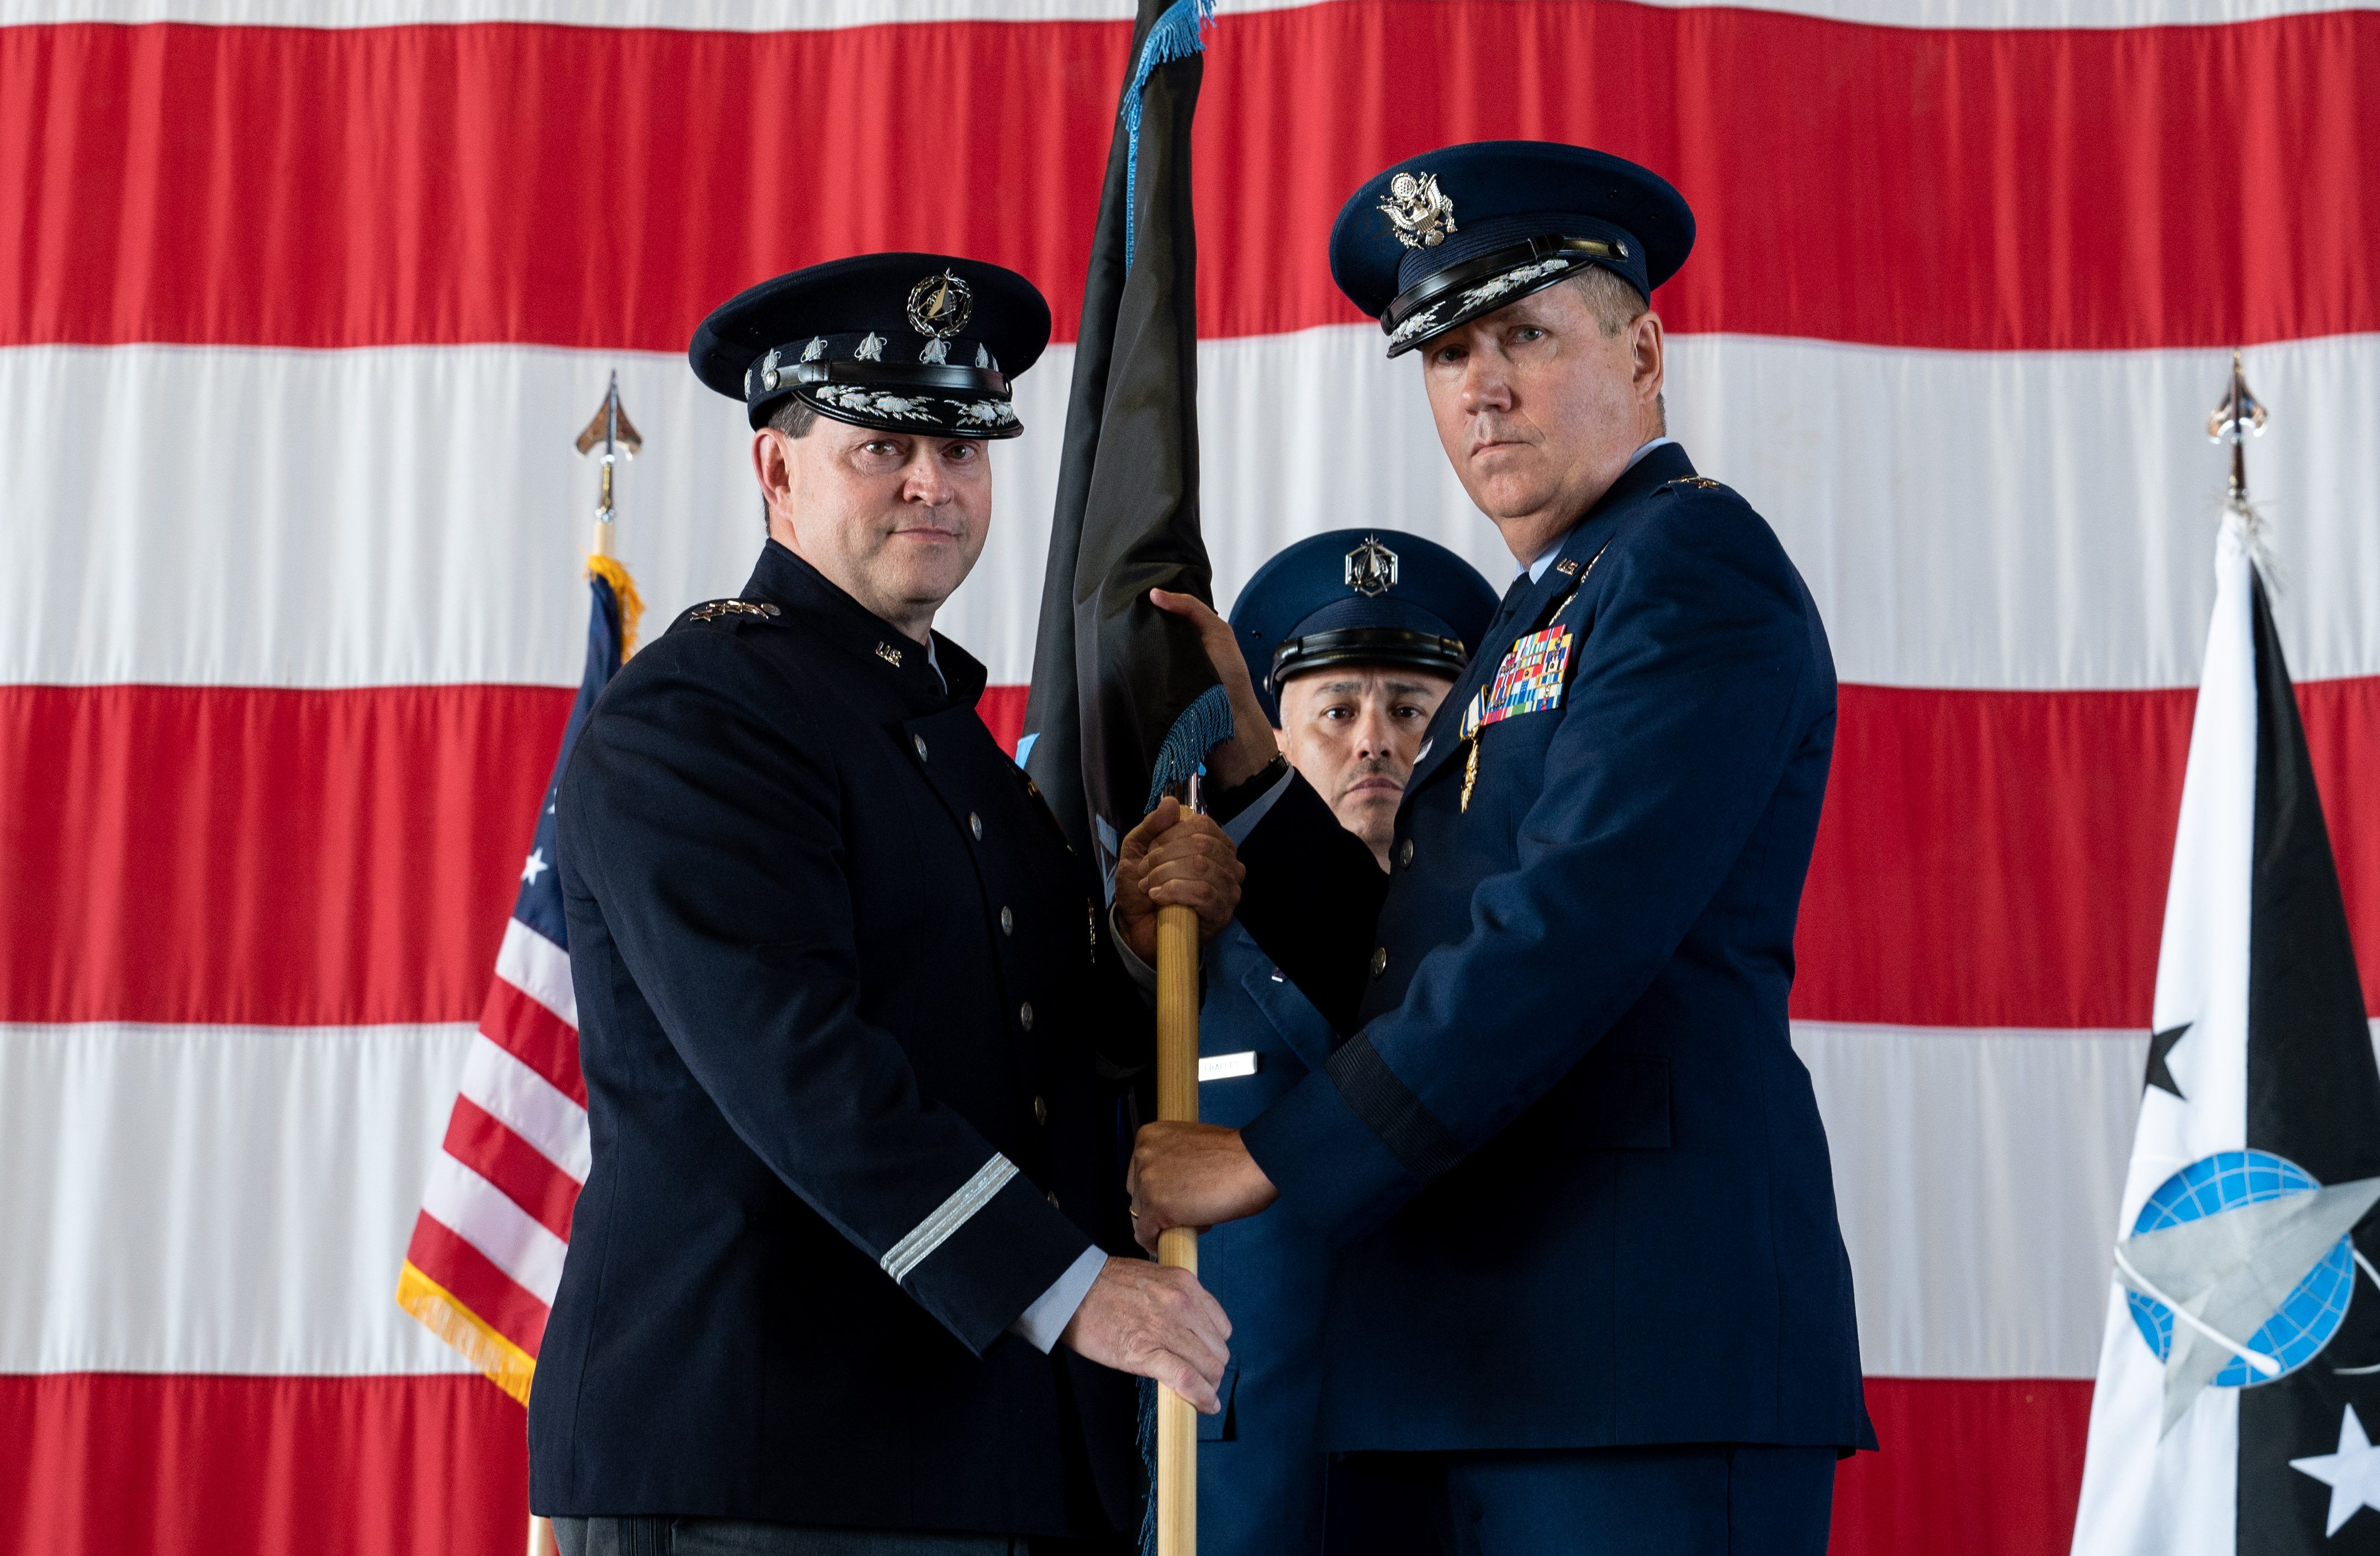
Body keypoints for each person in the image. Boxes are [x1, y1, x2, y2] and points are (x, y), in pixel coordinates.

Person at [1127, 144, 1875, 1554]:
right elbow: (1430, 943)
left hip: (1636, 1365)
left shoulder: (1689, 573)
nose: (1480, 387)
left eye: (1525, 334)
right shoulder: (1545, 610)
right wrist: (1253, 778)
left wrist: (1266, 1160)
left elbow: (1562, 935)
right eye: (1446, 352)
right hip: (1475, 1360)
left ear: (1645, 351)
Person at [528, 253, 1244, 1555]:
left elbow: (1017, 1061)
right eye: (884, 446)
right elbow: (797, 1065)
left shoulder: (951, 742)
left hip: (967, 1458)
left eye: (964, 450)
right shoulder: (697, 713)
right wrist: (1074, 1289)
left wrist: (1137, 957)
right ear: (777, 470)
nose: (934, 483)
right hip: (764, 1462)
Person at [1192, 531, 1494, 1555]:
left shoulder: (1515, 940)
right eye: (1335, 710)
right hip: (1234, 1460)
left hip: (1459, 1444)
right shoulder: (1175, 936)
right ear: (1273, 738)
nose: (1373, 739)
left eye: (1411, 711)